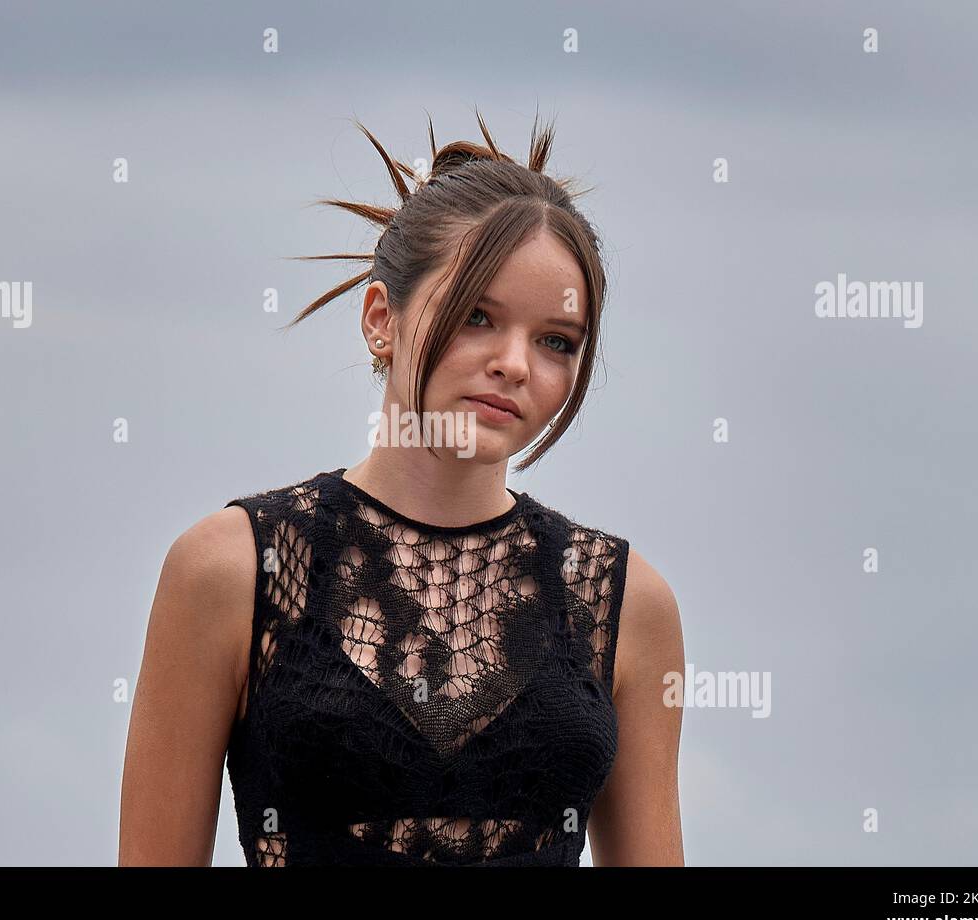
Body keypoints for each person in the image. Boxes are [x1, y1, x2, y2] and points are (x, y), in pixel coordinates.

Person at [118, 109, 685, 866]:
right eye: (478, 316)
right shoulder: (231, 570)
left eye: (557, 340)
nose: (515, 363)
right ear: (382, 318)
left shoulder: (624, 601)